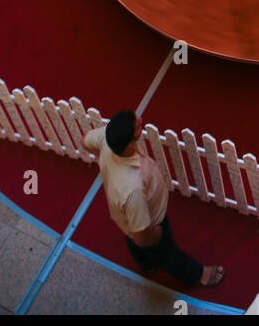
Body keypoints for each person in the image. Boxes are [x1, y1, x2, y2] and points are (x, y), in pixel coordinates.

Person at [83, 110, 224, 289]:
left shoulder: (107, 137)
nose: (141, 120)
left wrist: (103, 159)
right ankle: (198, 274)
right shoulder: (132, 189)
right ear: (129, 144)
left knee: (130, 236)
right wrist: (155, 234)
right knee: (166, 253)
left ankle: (145, 264)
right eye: (138, 126)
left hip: (124, 216)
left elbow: (85, 141)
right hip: (152, 219)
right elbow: (141, 235)